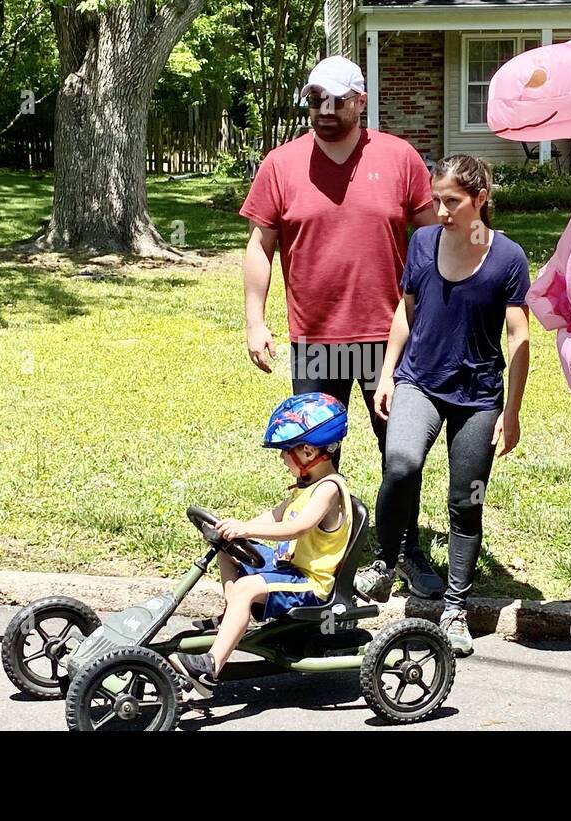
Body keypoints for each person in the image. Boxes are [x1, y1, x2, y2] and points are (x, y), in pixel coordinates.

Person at [240, 55, 445, 598]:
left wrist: (439, 312)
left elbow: (431, 241)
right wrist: (256, 321)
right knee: (313, 455)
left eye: (336, 100)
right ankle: (318, 557)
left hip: (390, 338)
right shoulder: (282, 165)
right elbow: (261, 246)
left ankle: (401, 551)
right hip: (315, 340)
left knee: (399, 456)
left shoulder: (399, 159)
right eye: (314, 99)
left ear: (361, 101)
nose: (324, 110)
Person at [353, 155, 531, 656]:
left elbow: (519, 338)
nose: (441, 209)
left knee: (465, 498)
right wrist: (387, 373)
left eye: (451, 201)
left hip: (477, 396)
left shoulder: (507, 258)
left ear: (480, 199)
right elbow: (405, 313)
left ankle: (455, 606)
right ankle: (386, 562)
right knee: (401, 464)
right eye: (437, 199)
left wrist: (511, 411)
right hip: (420, 381)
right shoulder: (423, 241)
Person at [168, 393, 352, 696]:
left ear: (308, 451)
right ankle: (234, 615)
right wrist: (234, 530)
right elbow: (274, 515)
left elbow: (297, 527)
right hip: (289, 567)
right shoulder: (305, 486)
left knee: (245, 587)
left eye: (285, 451)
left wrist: (248, 528)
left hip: (311, 584)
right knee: (228, 554)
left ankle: (210, 668)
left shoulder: (329, 489)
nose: (281, 457)